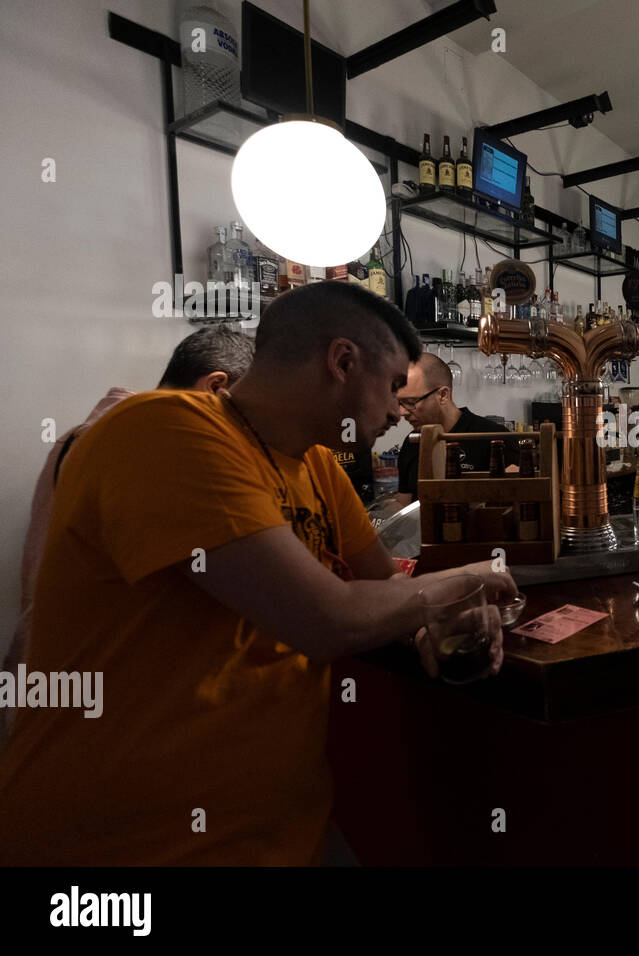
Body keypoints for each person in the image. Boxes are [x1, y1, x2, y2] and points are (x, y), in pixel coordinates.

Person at [0, 283, 516, 865]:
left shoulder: (319, 465)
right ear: (342, 362)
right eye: (394, 385)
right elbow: (325, 618)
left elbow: (385, 589)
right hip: (127, 846)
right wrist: (464, 583)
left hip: (284, 829)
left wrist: (431, 628)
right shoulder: (163, 429)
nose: (399, 409)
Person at [3, 326, 255, 696]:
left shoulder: (84, 432)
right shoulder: (150, 443)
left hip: (54, 665)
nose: (248, 427)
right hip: (97, 679)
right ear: (215, 386)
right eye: (245, 408)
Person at [395, 352, 510, 504]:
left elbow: (515, 503)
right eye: (400, 403)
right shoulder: (411, 443)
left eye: (410, 402)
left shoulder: (494, 438)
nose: (402, 412)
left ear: (443, 395)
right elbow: (404, 505)